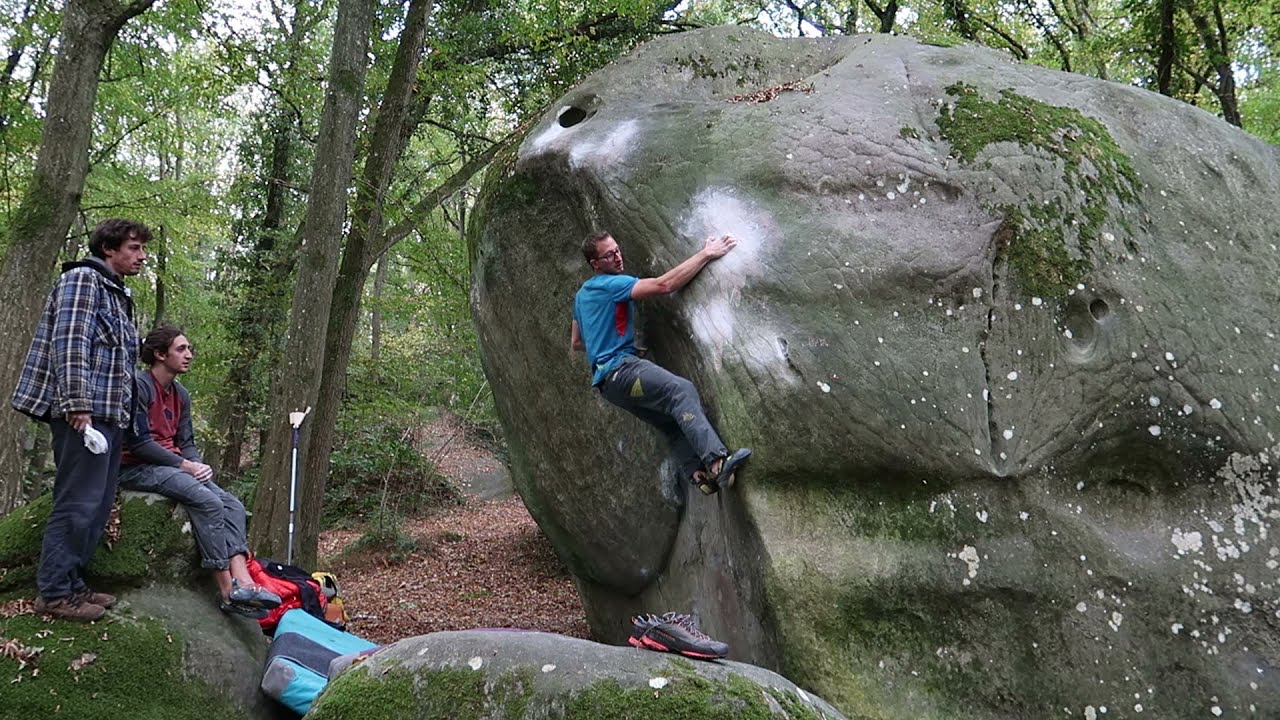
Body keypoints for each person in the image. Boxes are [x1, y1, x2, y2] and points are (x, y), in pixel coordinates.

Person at [11, 218, 150, 621]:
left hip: (109, 417)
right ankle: (53, 591)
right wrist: (76, 404)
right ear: (109, 248)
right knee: (77, 503)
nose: (141, 257)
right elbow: (70, 344)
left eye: (142, 250)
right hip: (83, 416)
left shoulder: (116, 293)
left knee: (97, 504)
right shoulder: (84, 281)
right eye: (134, 248)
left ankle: (71, 584)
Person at [571, 231, 751, 495]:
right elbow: (664, 285)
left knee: (668, 421)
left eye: (617, 250)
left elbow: (576, 341)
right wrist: (707, 253)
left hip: (610, 387)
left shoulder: (581, 296)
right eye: (609, 255)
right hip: (622, 371)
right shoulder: (611, 284)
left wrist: (609, 342)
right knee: (680, 391)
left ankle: (698, 475)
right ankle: (717, 463)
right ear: (595, 264)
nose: (618, 257)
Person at [119, 326, 281, 617]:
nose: (189, 355)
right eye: (181, 349)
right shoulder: (138, 387)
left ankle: (245, 582)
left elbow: (187, 442)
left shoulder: (181, 394)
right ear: (159, 354)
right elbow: (139, 443)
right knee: (208, 502)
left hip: (173, 466)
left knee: (232, 505)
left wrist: (199, 467)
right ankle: (226, 590)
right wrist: (186, 465)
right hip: (136, 467)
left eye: (189, 348)